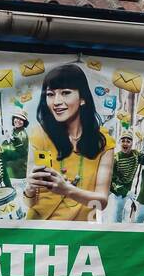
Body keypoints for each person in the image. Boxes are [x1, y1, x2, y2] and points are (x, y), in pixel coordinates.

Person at [26, 62, 115, 221]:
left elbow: (101, 203)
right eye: (50, 94)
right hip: (40, 233)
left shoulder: (104, 142)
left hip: (78, 235)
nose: (56, 101)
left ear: (82, 99)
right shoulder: (39, 135)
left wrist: (67, 190)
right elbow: (30, 203)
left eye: (65, 93)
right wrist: (30, 189)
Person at [109, 129, 140, 222]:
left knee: (130, 211)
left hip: (130, 187)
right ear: (120, 143)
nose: (125, 143)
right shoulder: (115, 158)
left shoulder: (136, 154)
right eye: (123, 141)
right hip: (117, 188)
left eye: (128, 141)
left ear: (132, 143)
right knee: (118, 208)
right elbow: (112, 180)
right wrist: (125, 192)